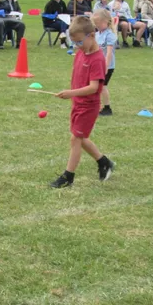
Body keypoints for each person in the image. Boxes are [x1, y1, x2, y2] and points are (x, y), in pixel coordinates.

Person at [49, 15, 115, 188]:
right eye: (74, 42)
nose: (77, 46)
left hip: (88, 106)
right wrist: (73, 95)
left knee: (75, 139)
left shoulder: (97, 59)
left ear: (92, 35)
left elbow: (94, 87)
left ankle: (68, 177)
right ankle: (104, 162)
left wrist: (71, 93)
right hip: (77, 103)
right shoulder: (80, 52)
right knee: (81, 138)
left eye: (79, 41)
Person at [92, 9, 117, 116]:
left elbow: (109, 53)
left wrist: (106, 66)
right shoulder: (97, 34)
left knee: (102, 86)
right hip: (97, 64)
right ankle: (98, 105)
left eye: (99, 23)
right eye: (95, 24)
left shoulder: (110, 35)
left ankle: (107, 108)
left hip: (107, 65)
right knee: (96, 86)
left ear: (106, 21)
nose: (97, 26)